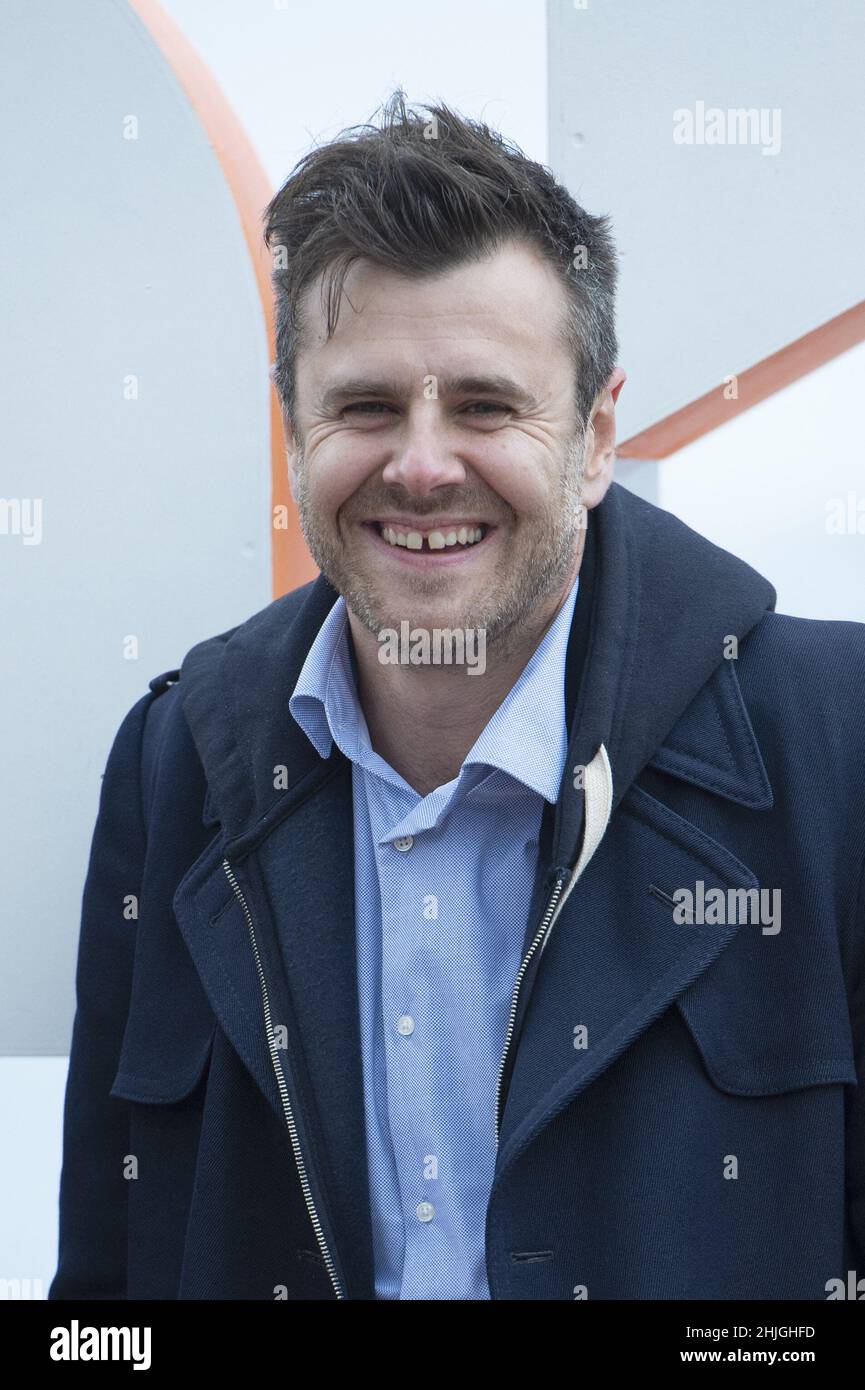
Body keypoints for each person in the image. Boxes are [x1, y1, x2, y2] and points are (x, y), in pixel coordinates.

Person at [49, 91, 864, 1301]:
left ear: (594, 437)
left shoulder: (836, 740)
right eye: (366, 406)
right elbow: (106, 1298)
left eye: (486, 405)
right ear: (293, 434)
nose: (422, 466)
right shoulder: (177, 762)